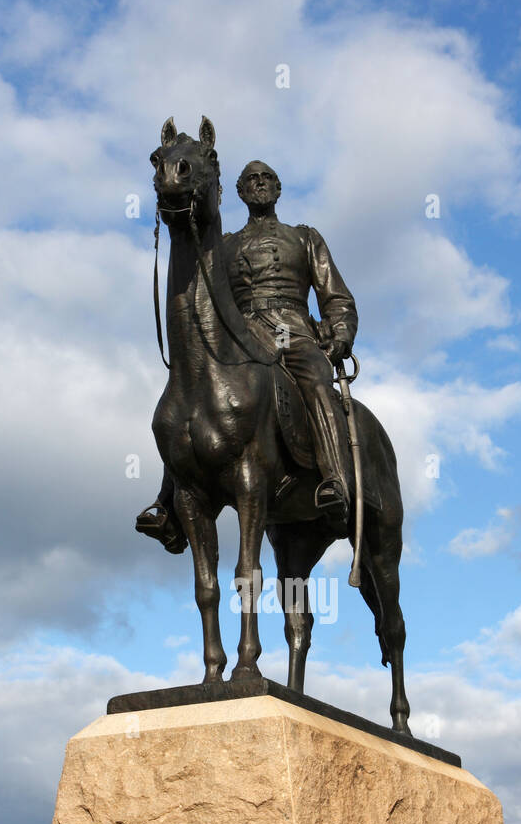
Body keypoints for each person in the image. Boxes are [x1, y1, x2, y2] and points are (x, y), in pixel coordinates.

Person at [137, 159, 358, 551]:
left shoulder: (304, 238)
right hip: (241, 333)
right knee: (189, 397)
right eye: (251, 180)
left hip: (291, 329)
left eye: (267, 179)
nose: (259, 184)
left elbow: (336, 298)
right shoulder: (224, 246)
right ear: (238, 192)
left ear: (278, 189)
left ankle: (334, 479)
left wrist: (339, 332)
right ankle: (168, 503)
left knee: (316, 378)